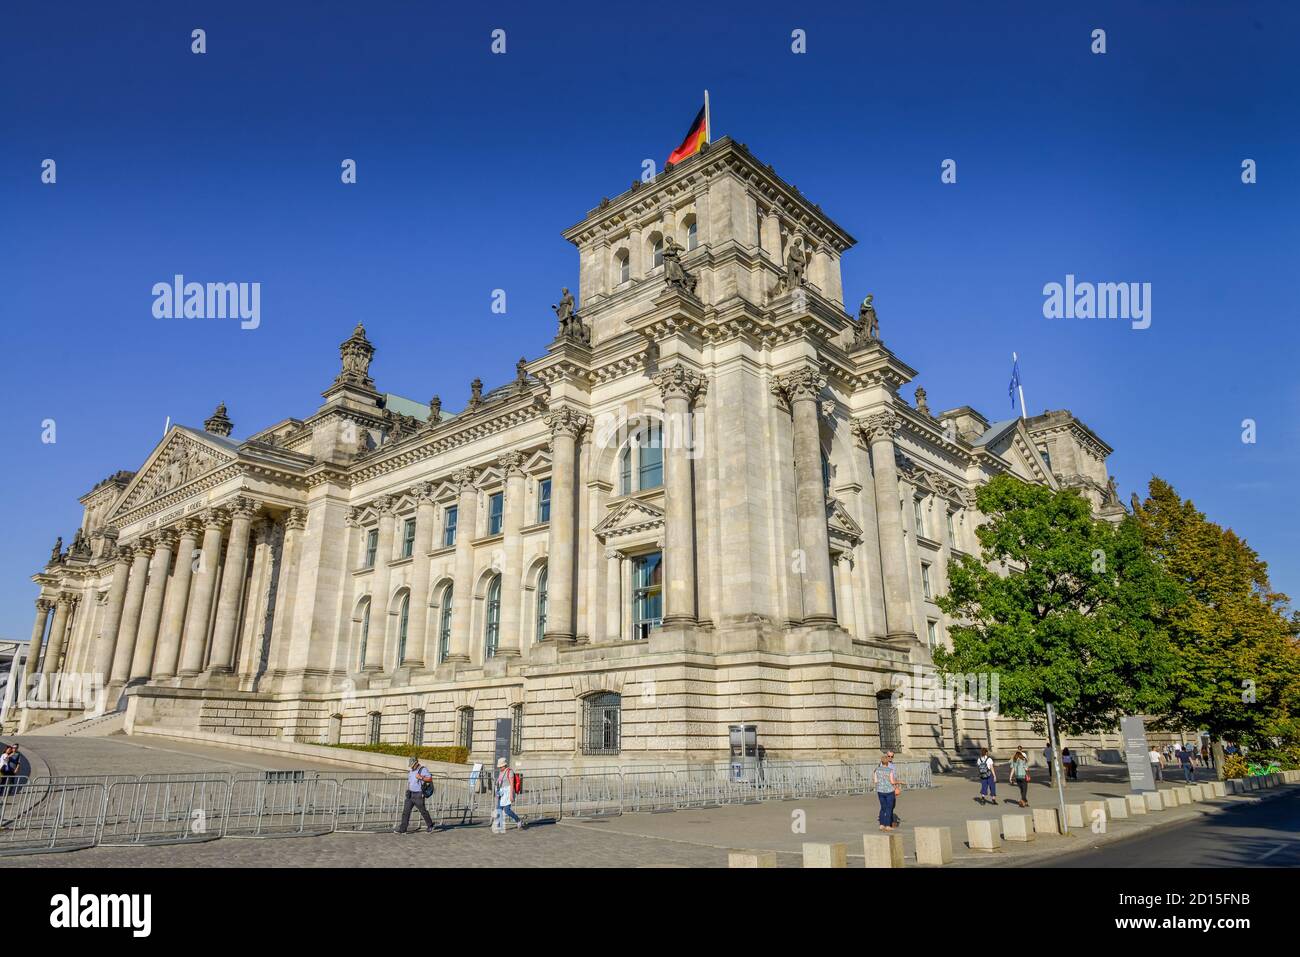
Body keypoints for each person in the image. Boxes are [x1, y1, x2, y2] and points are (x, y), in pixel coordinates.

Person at [396, 756, 435, 834]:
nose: (412, 766)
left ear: (416, 763)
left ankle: (430, 825)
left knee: (423, 811)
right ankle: (402, 829)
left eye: (413, 765)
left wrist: (421, 777)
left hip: (418, 794)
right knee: (406, 811)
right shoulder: (411, 770)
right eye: (411, 765)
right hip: (410, 794)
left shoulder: (423, 769)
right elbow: (410, 781)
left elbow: (430, 779)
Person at [872, 750, 900, 831]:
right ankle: (888, 824)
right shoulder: (889, 769)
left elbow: (875, 781)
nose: (890, 758)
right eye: (889, 756)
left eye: (892, 756)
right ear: (886, 759)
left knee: (883, 807)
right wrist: (898, 783)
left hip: (880, 790)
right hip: (889, 790)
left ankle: (882, 824)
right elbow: (892, 781)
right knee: (889, 807)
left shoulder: (877, 769)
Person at [494, 757, 523, 833]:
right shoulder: (501, 772)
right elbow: (499, 781)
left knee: (507, 810)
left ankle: (518, 820)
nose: (500, 768)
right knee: (499, 809)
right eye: (499, 766)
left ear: (504, 765)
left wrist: (511, 795)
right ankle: (499, 826)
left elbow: (511, 784)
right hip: (501, 793)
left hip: (508, 792)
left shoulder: (509, 772)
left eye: (501, 766)